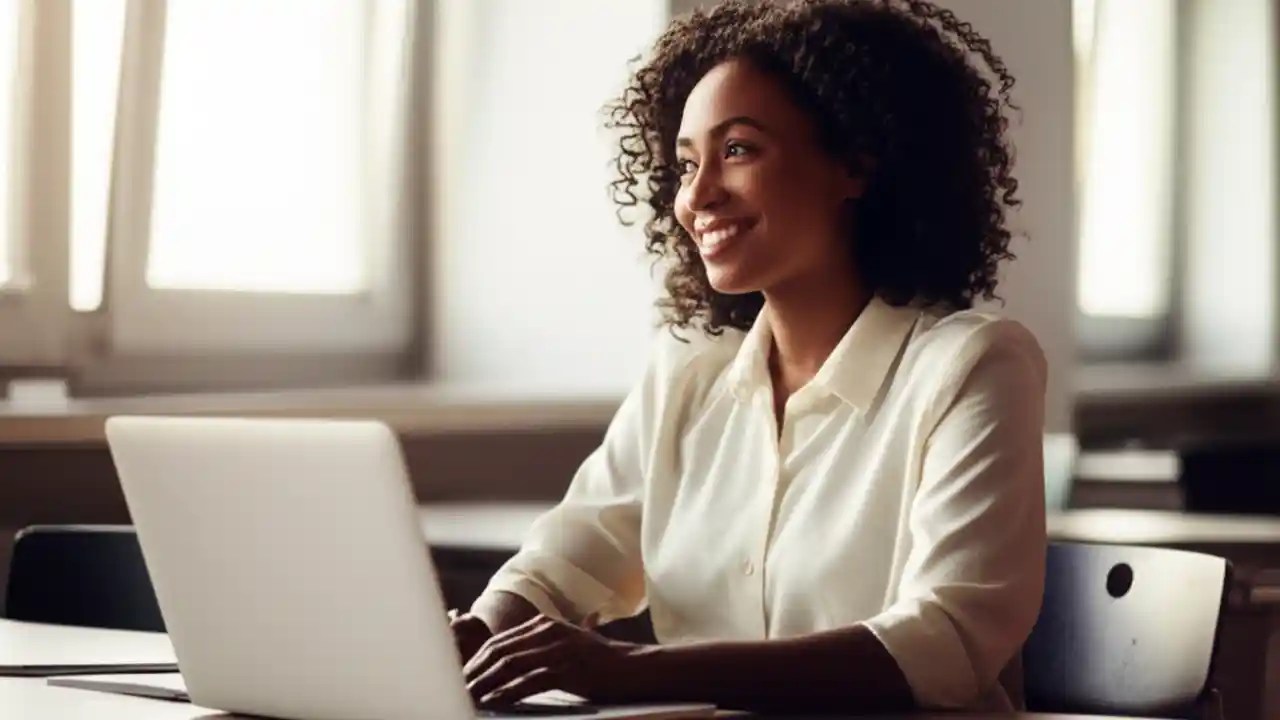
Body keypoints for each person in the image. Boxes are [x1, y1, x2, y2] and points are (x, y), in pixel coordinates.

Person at [451, 0, 1047, 713]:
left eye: (738, 150)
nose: (697, 196)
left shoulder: (974, 366)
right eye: (685, 163)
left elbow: (943, 642)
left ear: (855, 163)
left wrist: (629, 671)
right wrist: (476, 636)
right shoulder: (687, 371)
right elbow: (565, 560)